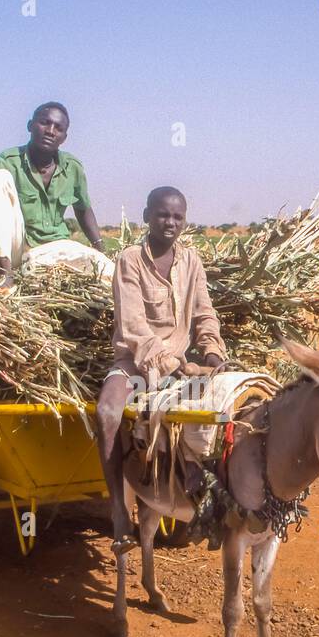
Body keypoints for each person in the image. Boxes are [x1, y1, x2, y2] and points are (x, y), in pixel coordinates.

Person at [95, 186, 227, 555]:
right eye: (162, 215)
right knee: (107, 412)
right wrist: (174, 365)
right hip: (136, 364)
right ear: (147, 217)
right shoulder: (130, 259)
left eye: (177, 217)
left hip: (181, 365)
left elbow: (204, 313)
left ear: (185, 221)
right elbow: (135, 327)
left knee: (218, 419)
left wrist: (214, 354)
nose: (170, 222)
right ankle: (119, 511)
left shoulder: (192, 262)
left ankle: (206, 504)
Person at [0, 102, 114, 286]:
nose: (50, 131)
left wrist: (100, 248)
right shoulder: (5, 162)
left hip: (52, 248)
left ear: (64, 137)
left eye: (58, 128)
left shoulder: (72, 167)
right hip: (15, 248)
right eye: (45, 123)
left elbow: (83, 210)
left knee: (108, 271)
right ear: (30, 125)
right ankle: (3, 269)